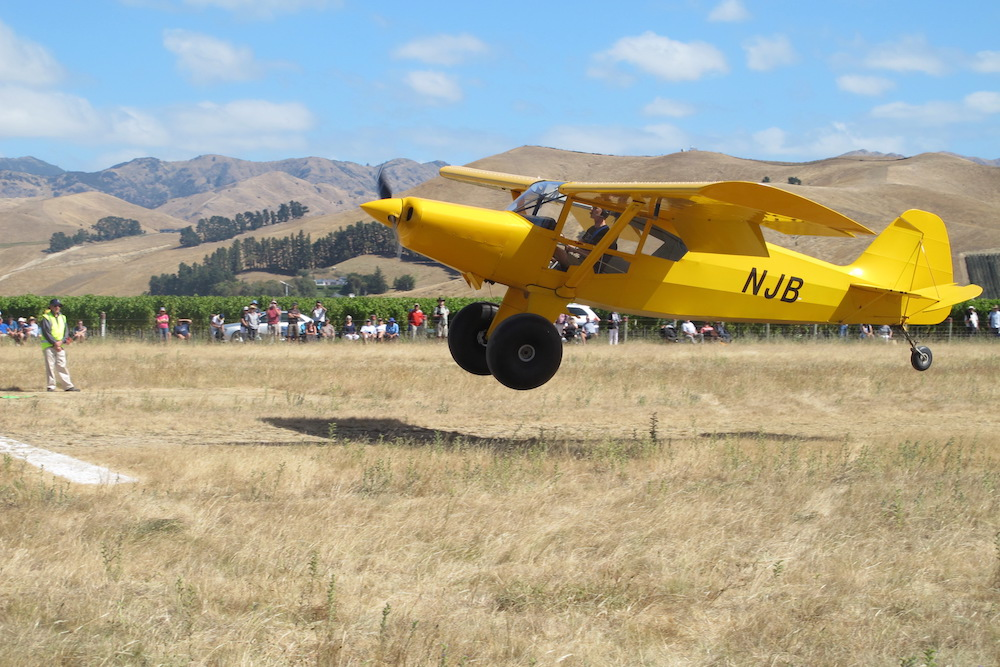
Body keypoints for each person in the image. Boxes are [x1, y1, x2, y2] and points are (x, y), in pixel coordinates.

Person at [552, 206, 616, 272]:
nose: (591, 209)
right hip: (580, 260)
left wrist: (575, 249)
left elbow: (593, 255)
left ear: (604, 212)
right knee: (549, 248)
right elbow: (579, 244)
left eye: (595, 208)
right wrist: (564, 240)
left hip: (588, 267)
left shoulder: (605, 233)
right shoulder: (591, 229)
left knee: (555, 250)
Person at [39, 298, 79, 392]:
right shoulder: (46, 317)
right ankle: (51, 386)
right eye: (55, 306)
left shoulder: (63, 317)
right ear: (51, 307)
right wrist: (54, 343)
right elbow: (46, 332)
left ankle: (67, 386)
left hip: (60, 345)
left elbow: (66, 331)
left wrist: (62, 341)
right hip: (49, 345)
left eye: (59, 306)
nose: (57, 307)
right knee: (50, 366)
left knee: (62, 365)